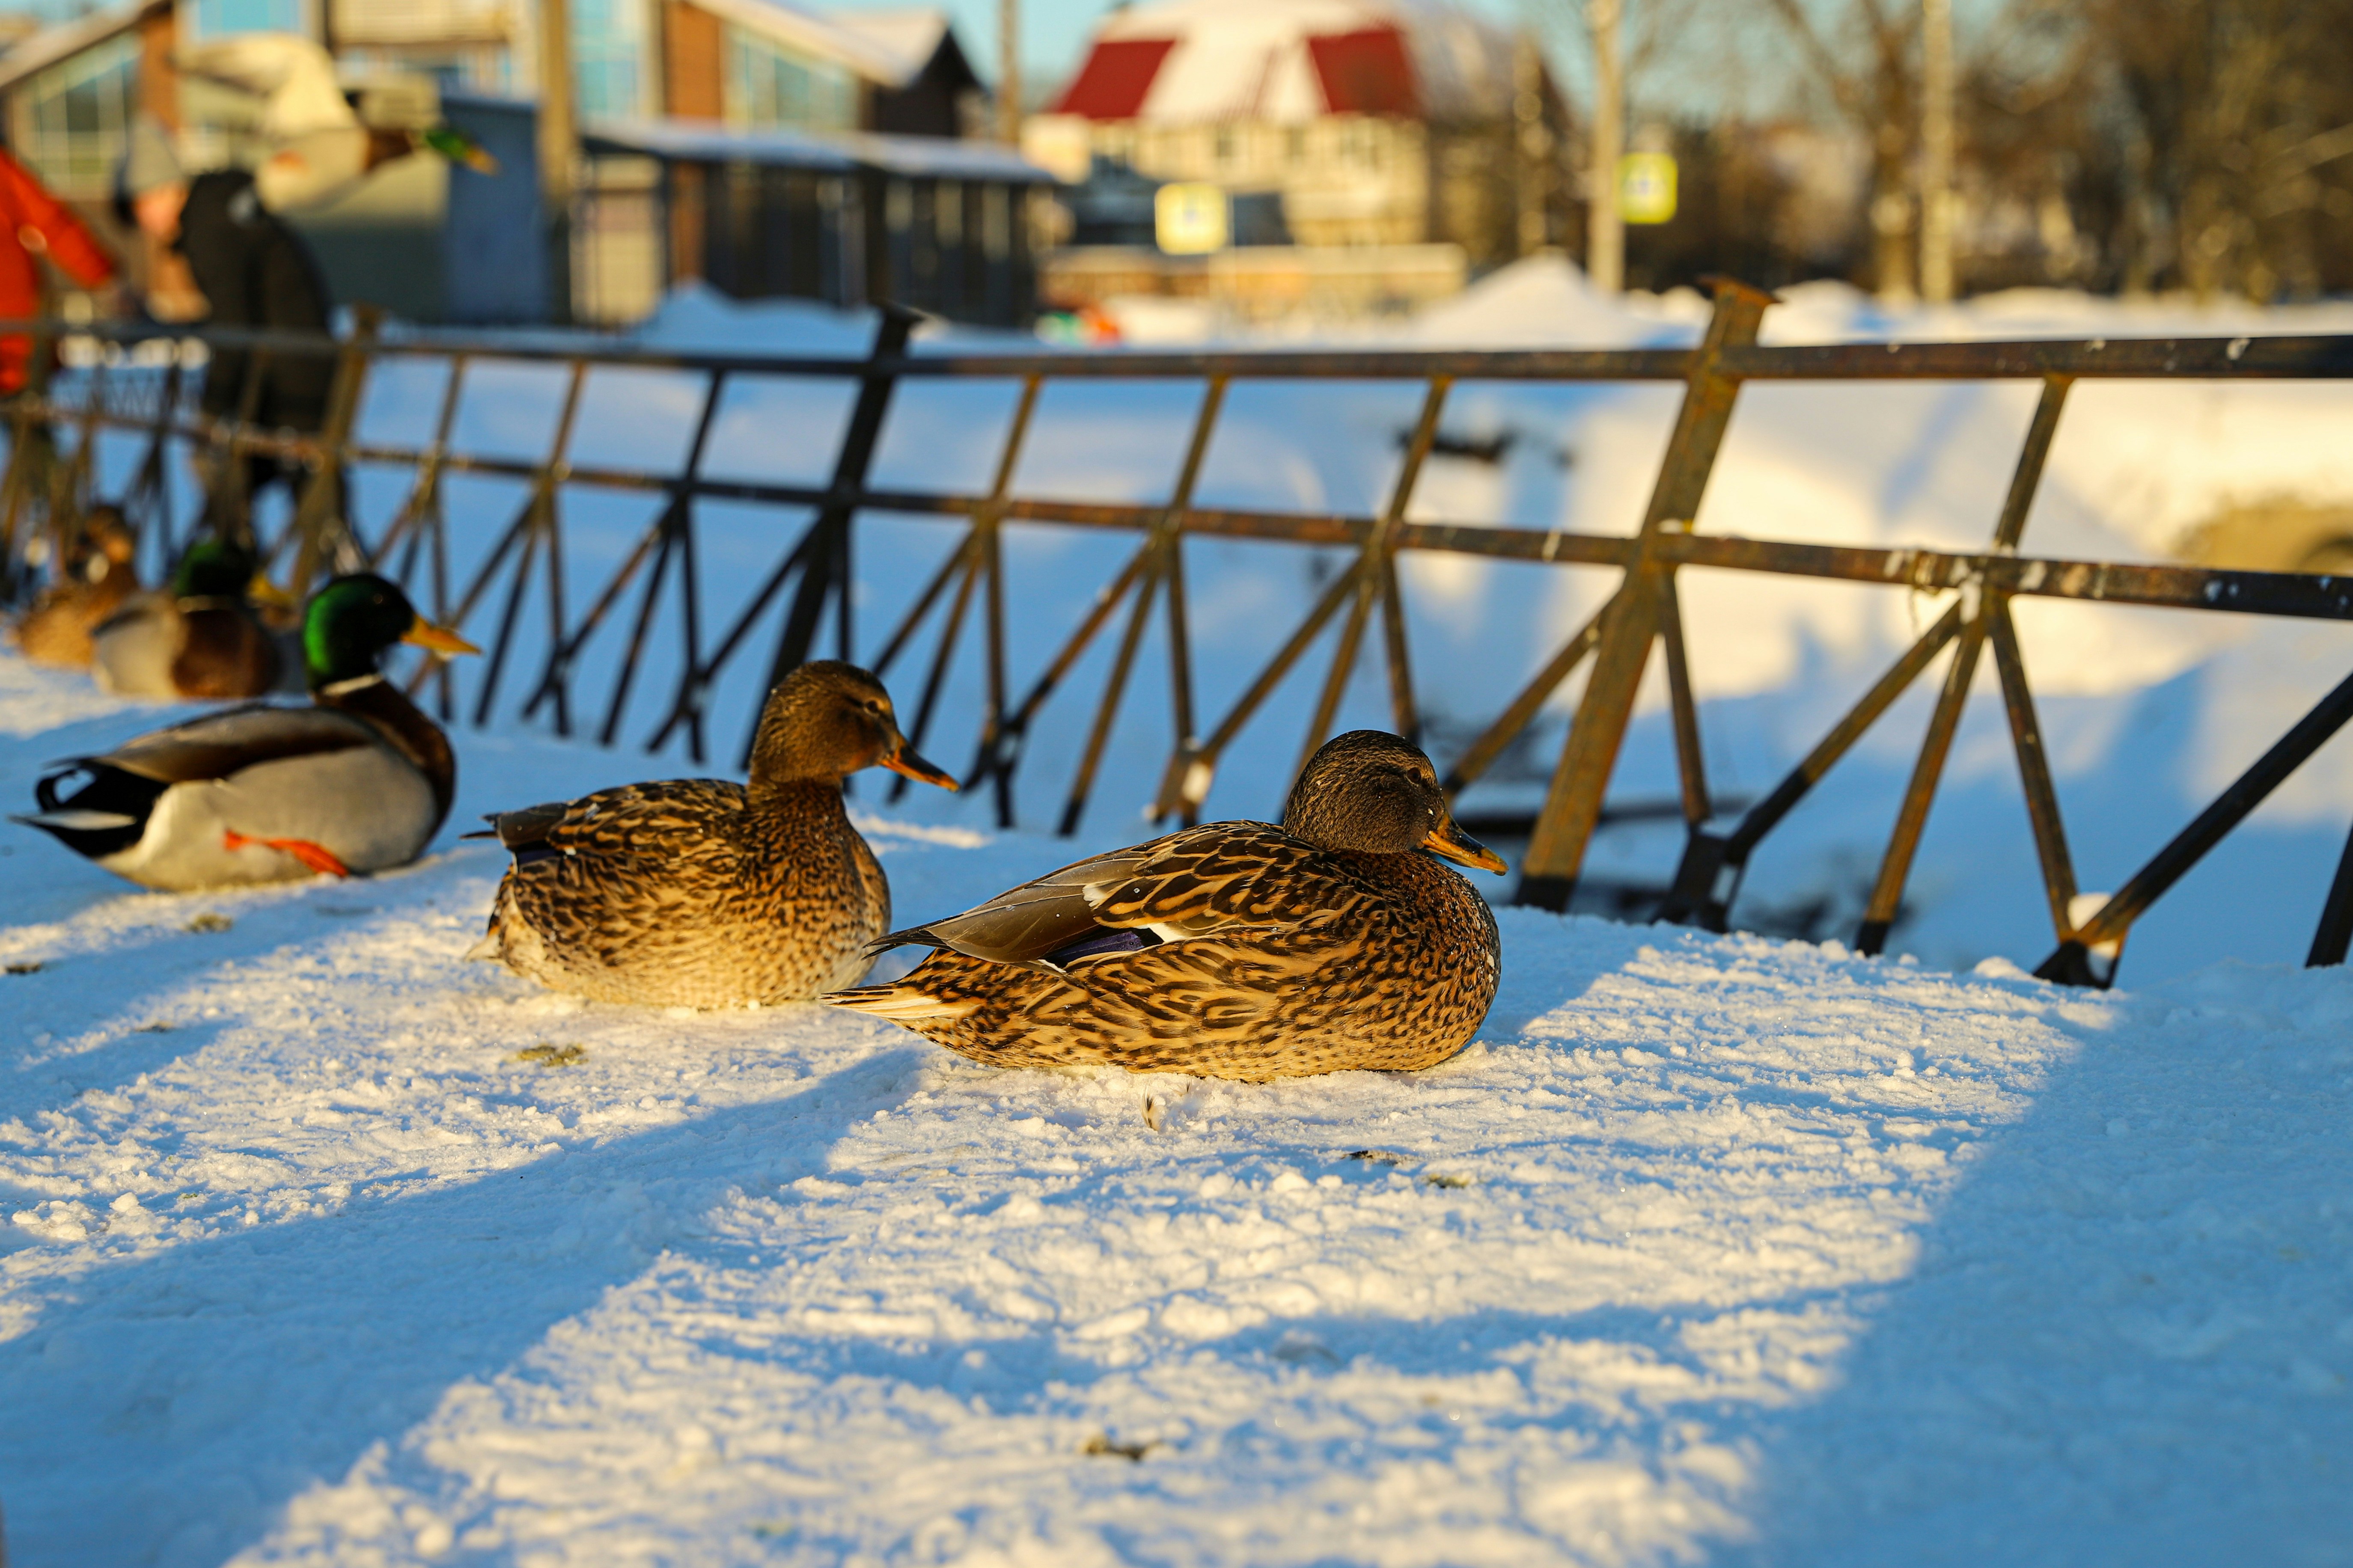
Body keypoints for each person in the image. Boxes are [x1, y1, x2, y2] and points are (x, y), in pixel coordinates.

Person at [117, 115, 334, 542]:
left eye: (143, 204)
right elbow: (231, 318)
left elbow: (234, 327)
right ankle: (250, 575)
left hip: (291, 378)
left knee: (279, 487)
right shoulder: (216, 210)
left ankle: (253, 578)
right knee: (281, 489)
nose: (144, 220)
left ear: (165, 189)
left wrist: (213, 409)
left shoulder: (208, 225)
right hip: (295, 365)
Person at [0, 143, 117, 396]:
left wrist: (103, 278)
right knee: (30, 422)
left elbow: (52, 225)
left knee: (29, 418)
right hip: (21, 334)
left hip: (18, 335)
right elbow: (53, 224)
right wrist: (104, 278)